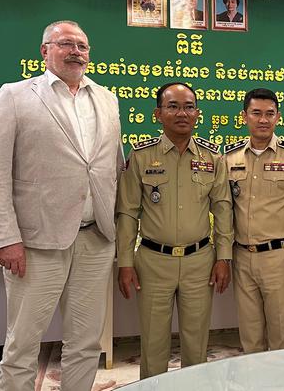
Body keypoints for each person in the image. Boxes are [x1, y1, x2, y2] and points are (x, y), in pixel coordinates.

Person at [0, 20, 123, 391]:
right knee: (23, 345)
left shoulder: (107, 99)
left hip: (95, 240)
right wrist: (6, 238)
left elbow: (110, 167)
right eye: (66, 44)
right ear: (44, 51)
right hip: (35, 243)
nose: (76, 51)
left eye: (83, 46)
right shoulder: (15, 95)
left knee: (86, 342)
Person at [115, 82, 232, 378]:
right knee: (153, 344)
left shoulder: (212, 158)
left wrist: (223, 258)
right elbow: (127, 213)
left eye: (189, 107)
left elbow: (222, 209)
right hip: (154, 262)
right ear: (158, 113)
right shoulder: (141, 156)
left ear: (197, 114)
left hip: (200, 260)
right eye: (173, 106)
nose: (182, 113)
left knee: (197, 343)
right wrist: (125, 262)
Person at [223, 88, 284, 353]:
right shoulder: (229, 158)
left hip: (280, 258)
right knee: (250, 338)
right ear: (244, 117)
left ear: (278, 118)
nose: (263, 120)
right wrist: (224, 257)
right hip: (242, 258)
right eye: (256, 113)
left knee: (281, 337)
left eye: (269, 114)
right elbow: (225, 211)